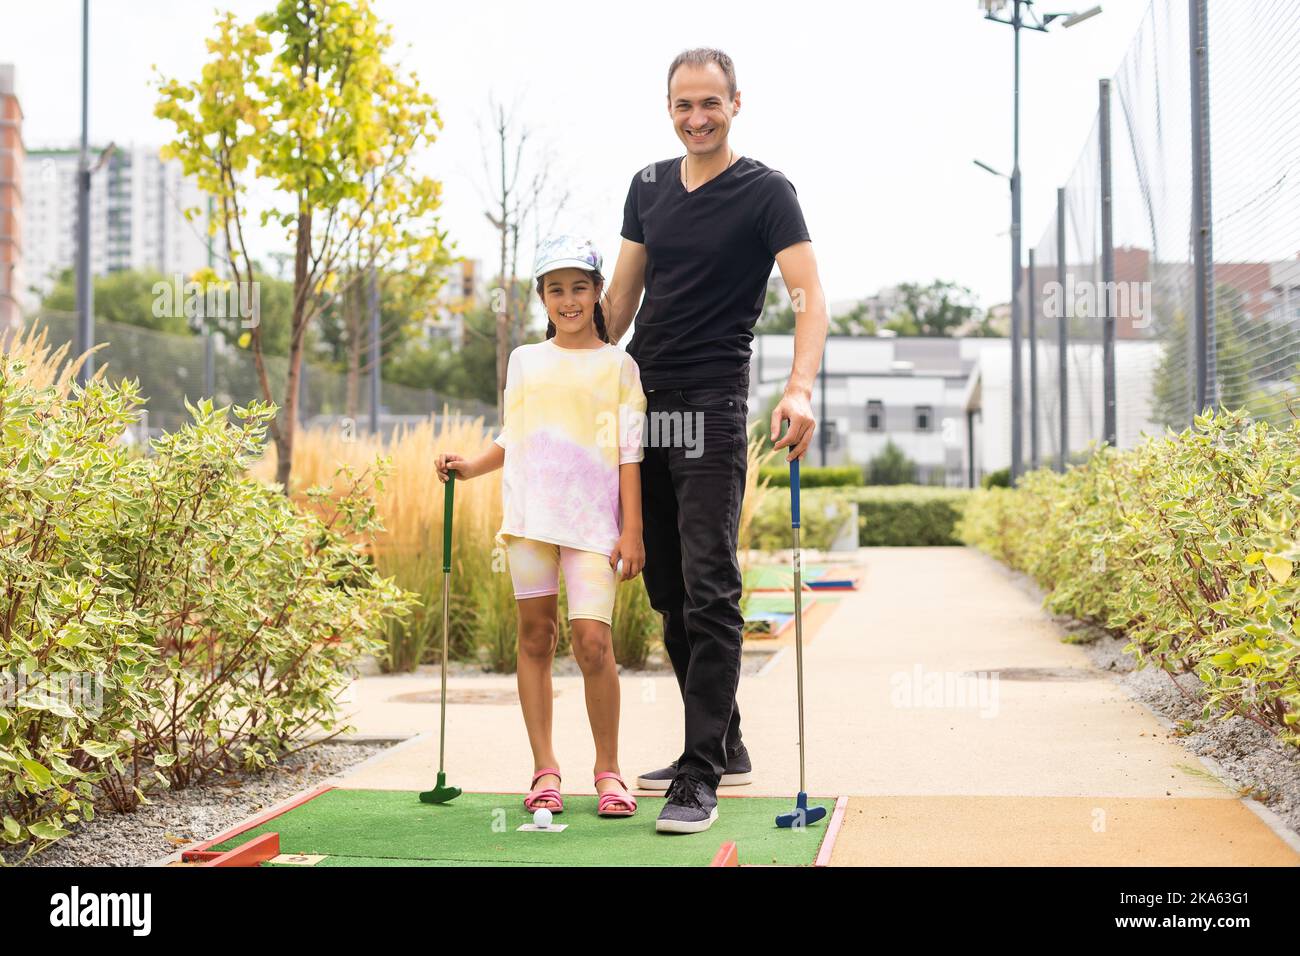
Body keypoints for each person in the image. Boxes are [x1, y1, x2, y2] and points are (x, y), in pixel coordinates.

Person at [601, 48, 829, 834]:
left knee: (709, 580)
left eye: (710, 103)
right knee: (666, 585)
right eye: (682, 105)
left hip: (711, 405)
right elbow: (619, 304)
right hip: (644, 401)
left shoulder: (766, 192)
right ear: (668, 108)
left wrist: (798, 387)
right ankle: (723, 741)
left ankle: (697, 775)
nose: (696, 117)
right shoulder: (648, 187)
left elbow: (810, 300)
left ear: (736, 103)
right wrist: (563, 356)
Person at [435, 234, 648, 819]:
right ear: (542, 298)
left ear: (598, 292)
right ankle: (545, 770)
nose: (569, 300)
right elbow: (515, 437)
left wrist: (632, 531)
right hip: (531, 521)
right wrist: (469, 467)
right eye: (556, 289)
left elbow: (630, 454)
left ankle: (608, 771)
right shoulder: (524, 361)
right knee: (534, 638)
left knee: (593, 641)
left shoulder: (620, 368)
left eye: (580, 287)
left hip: (593, 528)